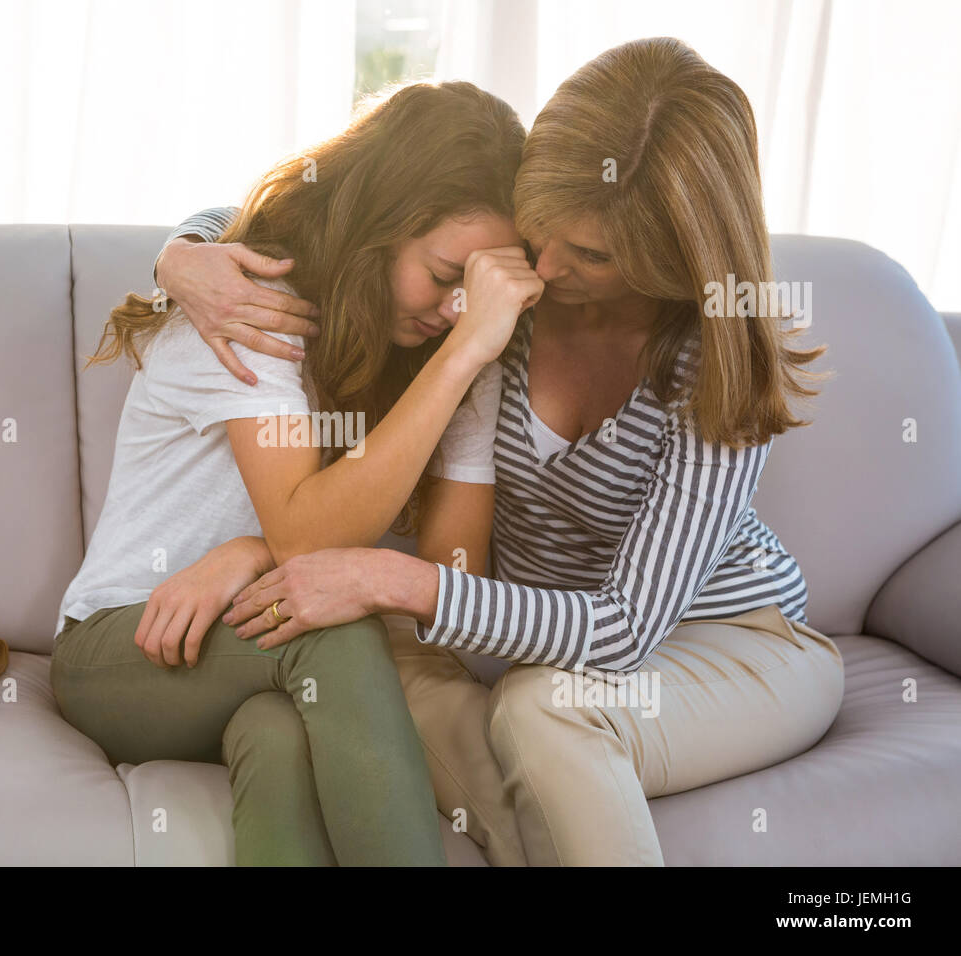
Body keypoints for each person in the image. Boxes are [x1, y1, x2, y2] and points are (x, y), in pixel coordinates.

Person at [151, 37, 845, 866]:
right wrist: (183, 255)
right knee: (371, 666)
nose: (545, 266)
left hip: (731, 643)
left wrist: (387, 576)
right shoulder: (496, 300)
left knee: (543, 710)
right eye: (542, 228)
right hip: (531, 658)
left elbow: (624, 632)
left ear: (673, 256)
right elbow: (344, 203)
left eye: (592, 256)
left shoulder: (713, 357)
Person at [51, 79, 544, 865]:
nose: (459, 310)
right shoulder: (252, 310)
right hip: (125, 645)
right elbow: (307, 540)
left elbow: (453, 582)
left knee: (279, 735)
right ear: (380, 227)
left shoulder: (462, 348)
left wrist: (251, 554)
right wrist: (460, 357)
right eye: (445, 274)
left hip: (250, 658)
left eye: (476, 293)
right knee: (331, 634)